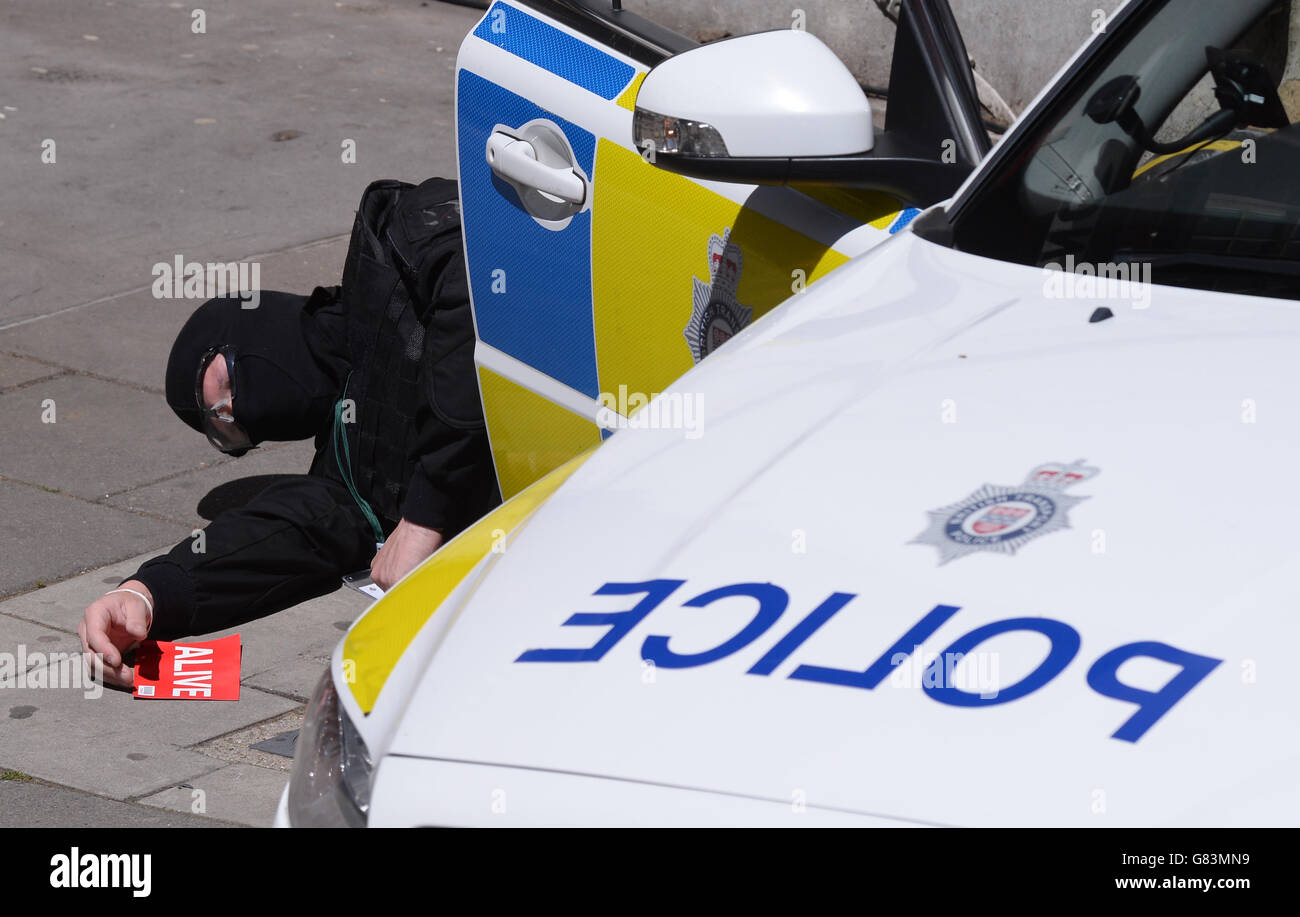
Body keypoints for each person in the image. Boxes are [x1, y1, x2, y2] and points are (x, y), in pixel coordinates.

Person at [77, 178, 500, 688]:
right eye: (225, 430)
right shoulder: (350, 466)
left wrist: (425, 515)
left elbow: (480, 278)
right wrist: (149, 593)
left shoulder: (391, 238)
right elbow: (292, 532)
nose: (232, 413)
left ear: (248, 330)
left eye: (223, 386)